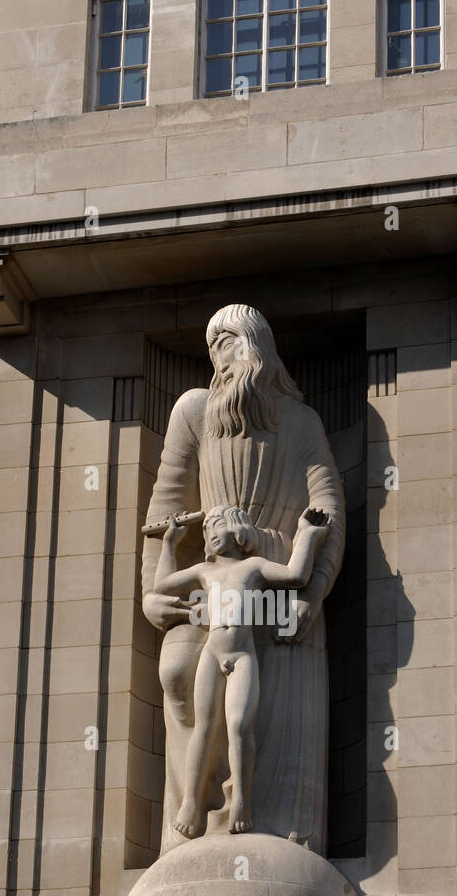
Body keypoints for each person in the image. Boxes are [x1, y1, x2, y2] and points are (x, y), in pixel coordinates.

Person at [141, 304, 345, 853]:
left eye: (228, 340)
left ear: (256, 343)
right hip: (207, 588)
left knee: (247, 717)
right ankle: (193, 817)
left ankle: (265, 825)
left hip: (276, 593)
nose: (220, 356)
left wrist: (316, 590)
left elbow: (328, 509)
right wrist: (150, 595)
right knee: (177, 669)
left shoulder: (302, 423)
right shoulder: (192, 411)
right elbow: (162, 513)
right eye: (212, 346)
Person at [153, 504, 330, 837]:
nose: (211, 534)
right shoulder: (205, 571)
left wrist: (307, 534)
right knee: (204, 728)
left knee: (238, 725)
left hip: (242, 655)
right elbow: (162, 584)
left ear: (237, 528)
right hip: (213, 652)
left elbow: (297, 576)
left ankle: (242, 801)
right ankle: (191, 802)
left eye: (216, 526)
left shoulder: (254, 567)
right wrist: (169, 543)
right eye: (207, 531)